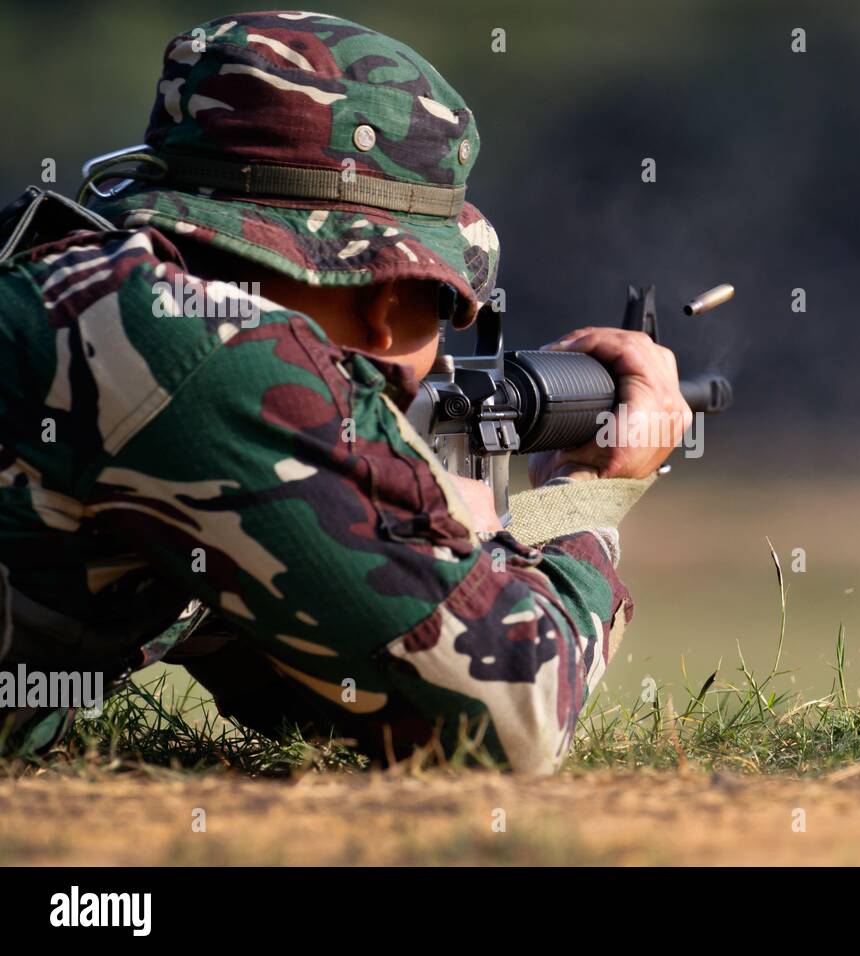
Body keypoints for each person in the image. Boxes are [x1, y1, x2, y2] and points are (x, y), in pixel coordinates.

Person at [0, 11, 690, 772]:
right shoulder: (202, 347)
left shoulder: (103, 307)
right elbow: (509, 715)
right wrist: (584, 500)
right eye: (441, 302)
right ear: (391, 298)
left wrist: (426, 541)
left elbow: (345, 692)